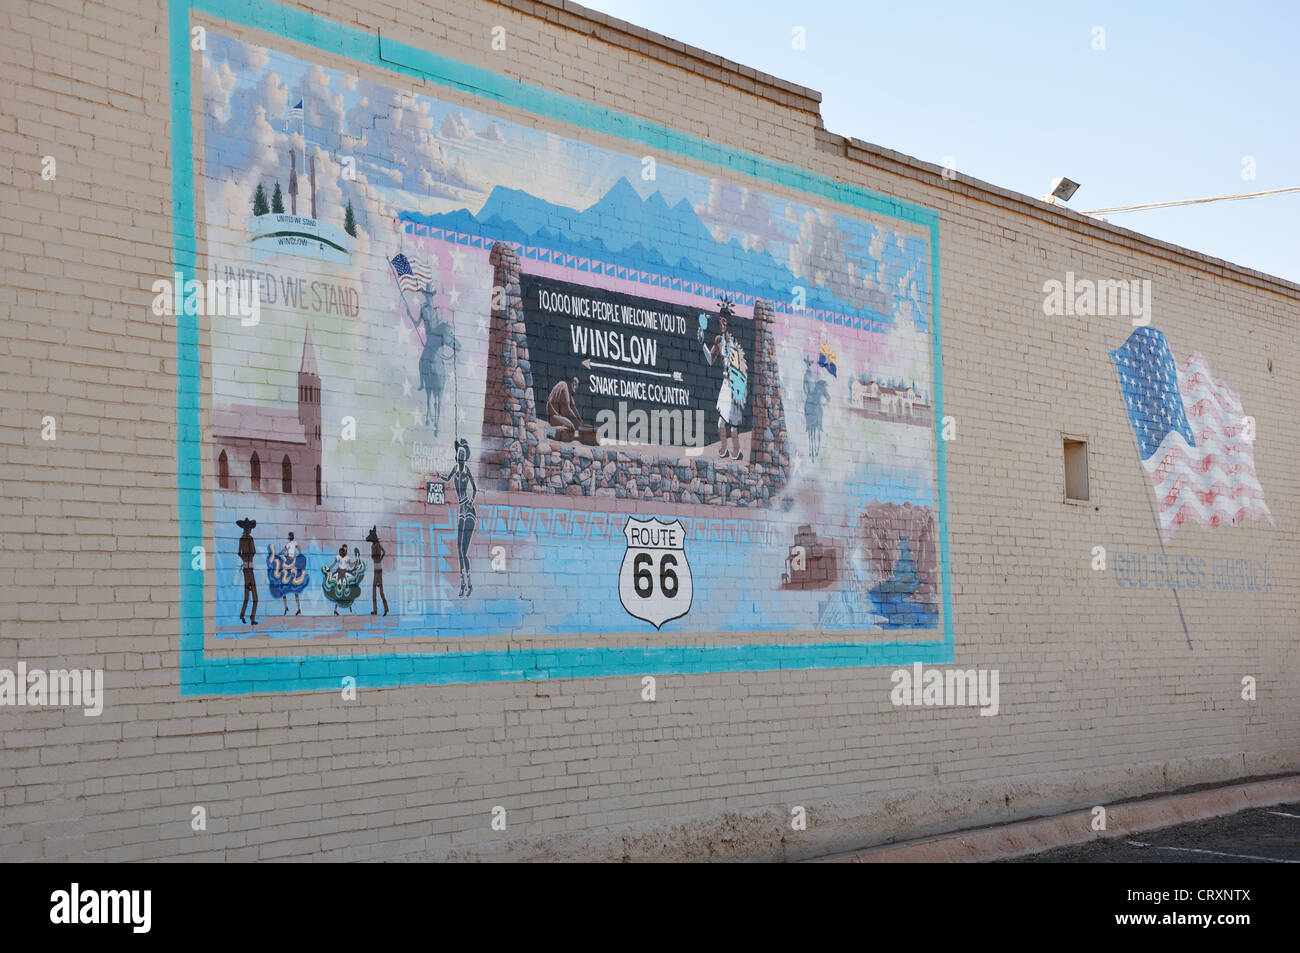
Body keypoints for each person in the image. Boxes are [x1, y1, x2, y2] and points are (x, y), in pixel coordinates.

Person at [698, 297, 748, 460]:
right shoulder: (718, 341)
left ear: (728, 323)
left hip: (735, 387)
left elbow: (741, 370)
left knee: (733, 426)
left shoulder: (734, 345)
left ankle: (737, 451)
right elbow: (710, 360)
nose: (721, 323)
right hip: (726, 385)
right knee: (721, 422)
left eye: (724, 320)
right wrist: (702, 343)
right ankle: (724, 448)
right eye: (720, 320)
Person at [441, 438, 478, 597]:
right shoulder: (455, 469)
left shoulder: (467, 470)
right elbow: (447, 479)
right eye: (459, 454)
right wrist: (438, 476)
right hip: (460, 512)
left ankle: (468, 583)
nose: (461, 456)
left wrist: (470, 502)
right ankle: (464, 583)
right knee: (459, 549)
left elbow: (475, 489)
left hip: (469, 511)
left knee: (464, 550)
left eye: (463, 454)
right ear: (457, 456)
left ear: (465, 456)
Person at [267, 531, 308, 616]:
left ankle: (287, 607)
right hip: (292, 562)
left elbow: (283, 551)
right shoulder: (294, 543)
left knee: (284, 583)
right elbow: (299, 548)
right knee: (294, 585)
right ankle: (297, 608)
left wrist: (279, 554)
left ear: (289, 537)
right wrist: (299, 554)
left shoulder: (289, 544)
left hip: (289, 562)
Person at [546, 376, 583, 442]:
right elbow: (569, 408)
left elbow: (574, 407)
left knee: (570, 429)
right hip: (553, 415)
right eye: (575, 384)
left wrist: (580, 419)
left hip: (557, 415)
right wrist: (577, 420)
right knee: (571, 428)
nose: (576, 386)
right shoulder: (564, 386)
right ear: (572, 383)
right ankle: (549, 431)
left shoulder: (568, 390)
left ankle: (554, 432)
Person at [236, 517, 258, 625]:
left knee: (246, 596)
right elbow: (253, 552)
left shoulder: (241, 539)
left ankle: (242, 615)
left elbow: (239, 553)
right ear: (248, 529)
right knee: (255, 597)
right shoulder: (250, 539)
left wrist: (244, 559)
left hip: (245, 569)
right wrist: (248, 557)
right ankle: (252, 618)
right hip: (250, 569)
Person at [366, 526, 389, 616]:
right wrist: (380, 559)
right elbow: (384, 552)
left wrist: (377, 559)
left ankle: (380, 609)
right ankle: (382, 609)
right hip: (378, 568)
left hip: (377, 569)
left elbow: (377, 555)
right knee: (378, 590)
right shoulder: (377, 545)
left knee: (377, 590)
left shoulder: (375, 545)